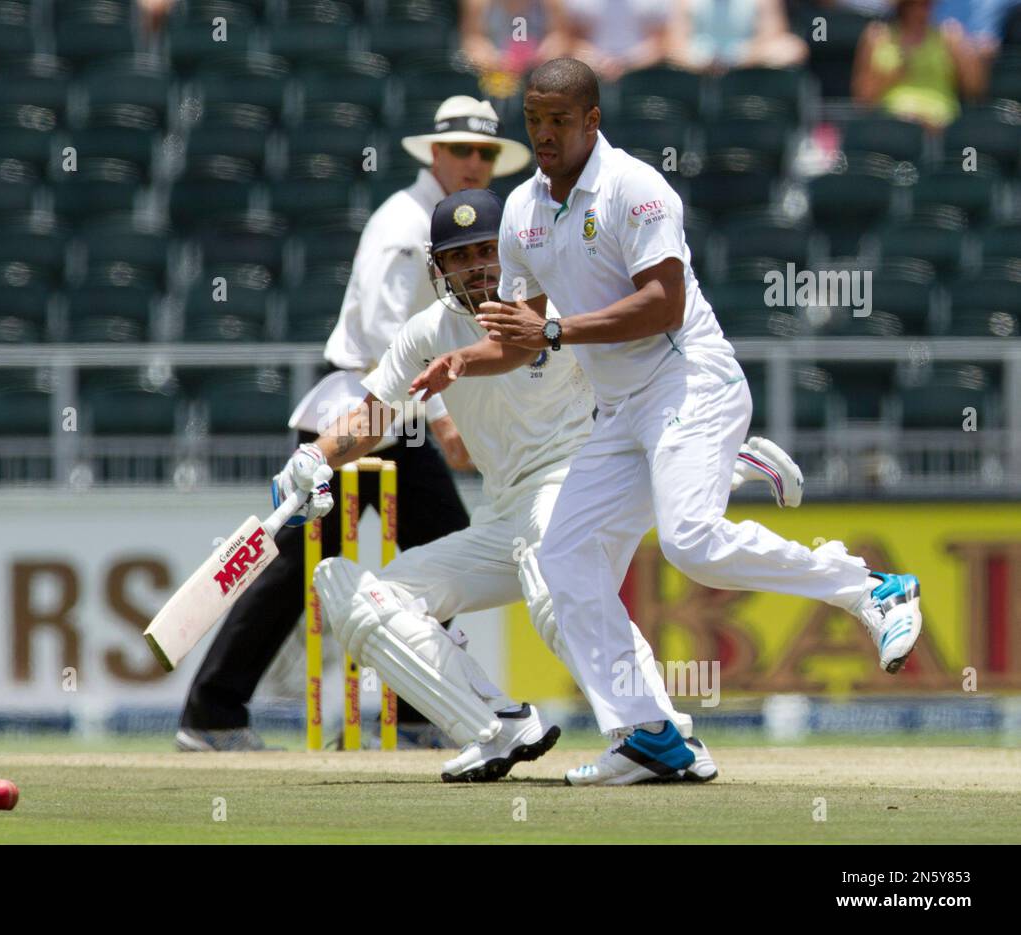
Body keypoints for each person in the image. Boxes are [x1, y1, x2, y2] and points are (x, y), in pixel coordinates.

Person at [412, 58, 923, 785]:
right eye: (533, 120)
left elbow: (662, 305)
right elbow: (520, 334)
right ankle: (651, 733)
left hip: (690, 381)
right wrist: (465, 363)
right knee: (562, 560)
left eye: (559, 120)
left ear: (592, 120)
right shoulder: (522, 212)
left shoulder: (637, 189)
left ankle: (870, 587)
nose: (545, 134)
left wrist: (554, 334)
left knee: (691, 543)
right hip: (621, 410)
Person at [272, 188, 804, 782]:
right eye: (458, 256)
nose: (474, 265)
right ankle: (497, 725)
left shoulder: (561, 310)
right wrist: (314, 457)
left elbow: (657, 361)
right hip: (502, 512)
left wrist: (703, 440)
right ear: (438, 267)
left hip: (573, 484)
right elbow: (374, 414)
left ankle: (659, 730)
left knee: (553, 577)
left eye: (484, 250)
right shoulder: (427, 333)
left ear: (510, 248)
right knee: (358, 596)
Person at [174, 98, 532, 752]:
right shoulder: (403, 227)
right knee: (296, 567)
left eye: (485, 153)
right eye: (462, 150)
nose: (475, 164)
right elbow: (385, 342)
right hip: (360, 409)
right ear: (434, 153)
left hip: (407, 418)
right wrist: (445, 416)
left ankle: (417, 710)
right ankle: (212, 712)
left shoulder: (466, 224)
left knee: (441, 554)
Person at [851, 0, 986, 130]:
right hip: (892, 125)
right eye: (916, 3)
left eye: (927, 3)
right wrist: (891, 76)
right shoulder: (877, 36)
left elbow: (974, 89)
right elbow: (863, 99)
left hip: (942, 125)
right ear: (903, 6)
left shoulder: (950, 35)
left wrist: (964, 50)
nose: (924, 9)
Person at [667, 0, 808, 73]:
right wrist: (704, 60)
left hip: (748, 60)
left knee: (791, 48)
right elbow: (674, 42)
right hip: (698, 64)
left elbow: (774, 35)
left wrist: (737, 58)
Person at [562, 0, 670, 82]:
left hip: (643, 77)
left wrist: (628, 62)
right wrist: (597, 61)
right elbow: (569, 39)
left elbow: (663, 41)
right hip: (592, 76)